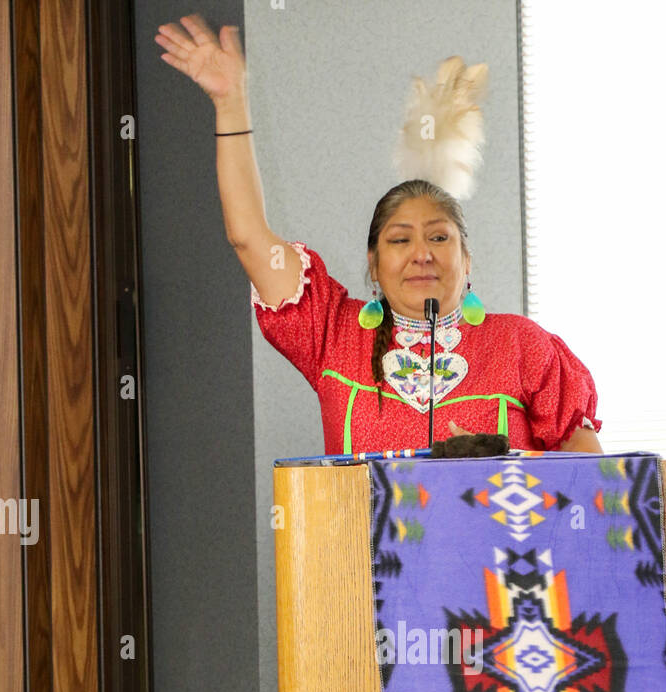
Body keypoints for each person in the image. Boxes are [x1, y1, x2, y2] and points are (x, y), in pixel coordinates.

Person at [155, 16, 604, 458]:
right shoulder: (332, 334)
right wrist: (231, 102)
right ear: (373, 264)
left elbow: (591, 474)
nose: (422, 254)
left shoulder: (522, 345)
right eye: (400, 240)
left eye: (440, 238)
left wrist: (498, 468)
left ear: (468, 260)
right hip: (359, 537)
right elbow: (249, 237)